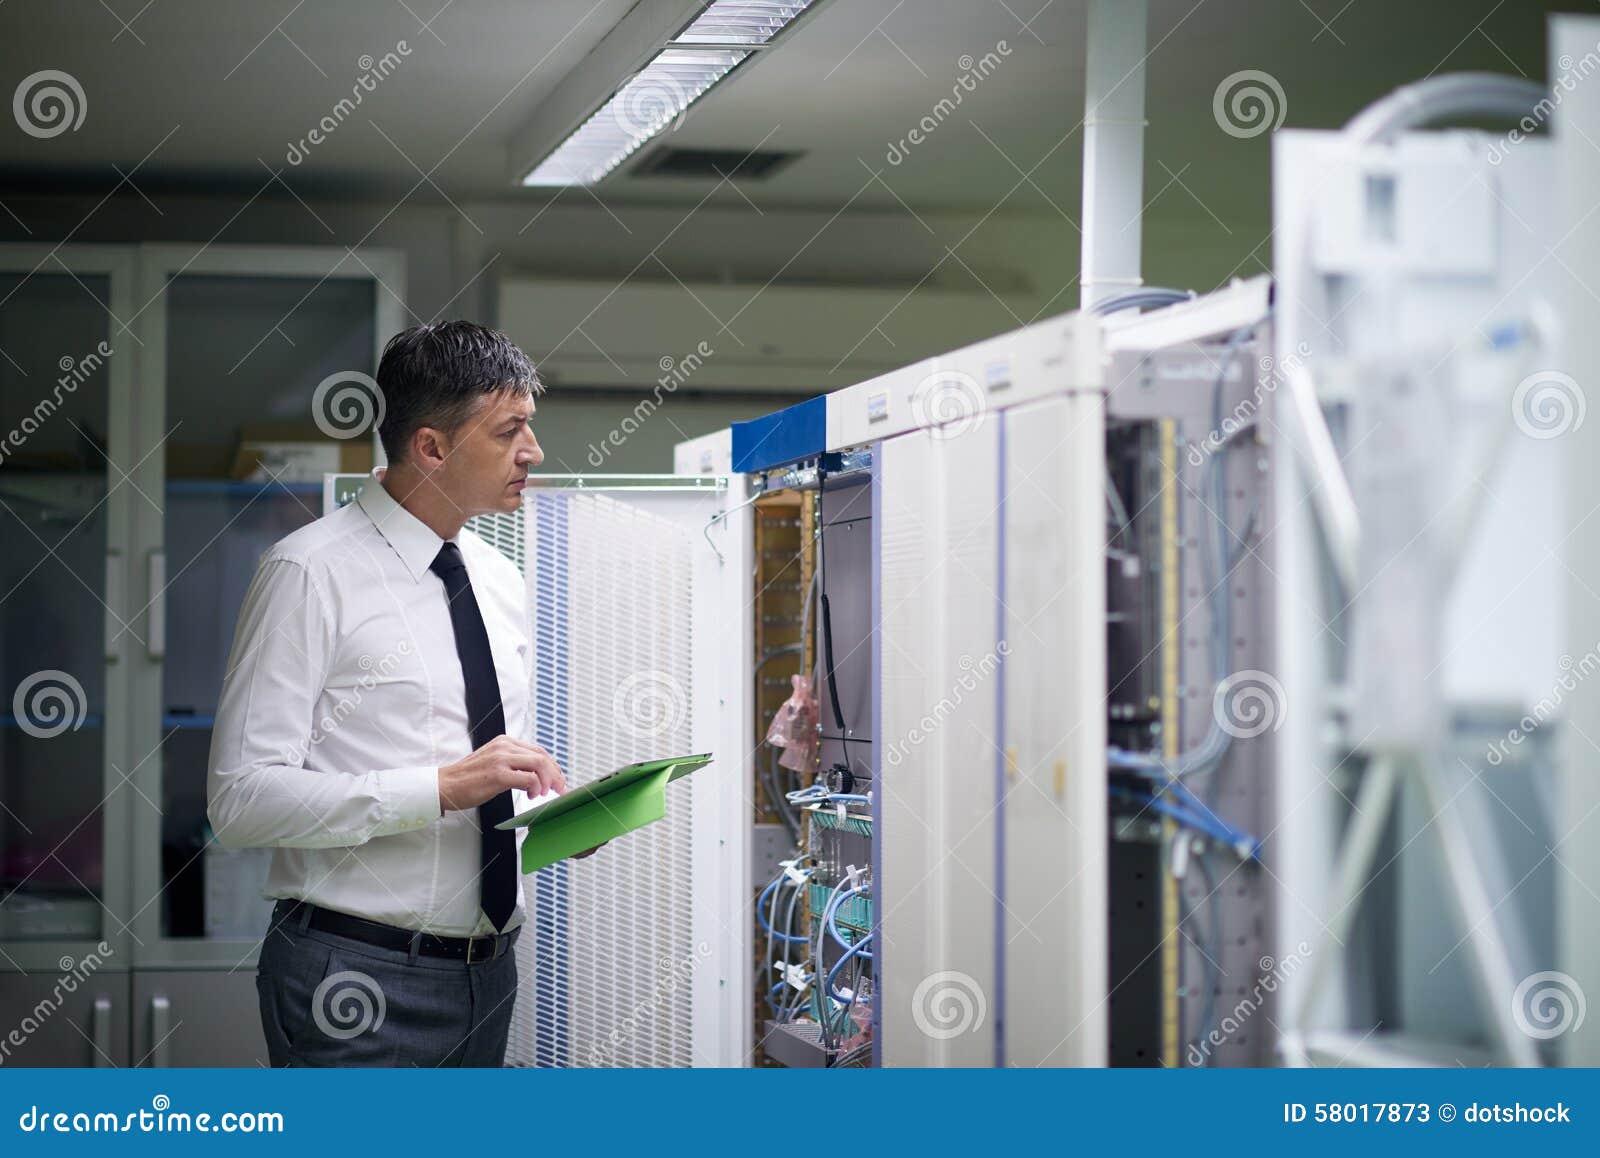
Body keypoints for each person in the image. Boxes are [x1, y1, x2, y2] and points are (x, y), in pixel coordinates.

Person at [207, 320, 600, 1067]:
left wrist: (558, 818)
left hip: (490, 975)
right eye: (509, 431)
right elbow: (241, 801)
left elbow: (481, 777)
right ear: (431, 448)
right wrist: (441, 788)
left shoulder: (499, 578)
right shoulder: (308, 572)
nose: (534, 451)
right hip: (354, 977)